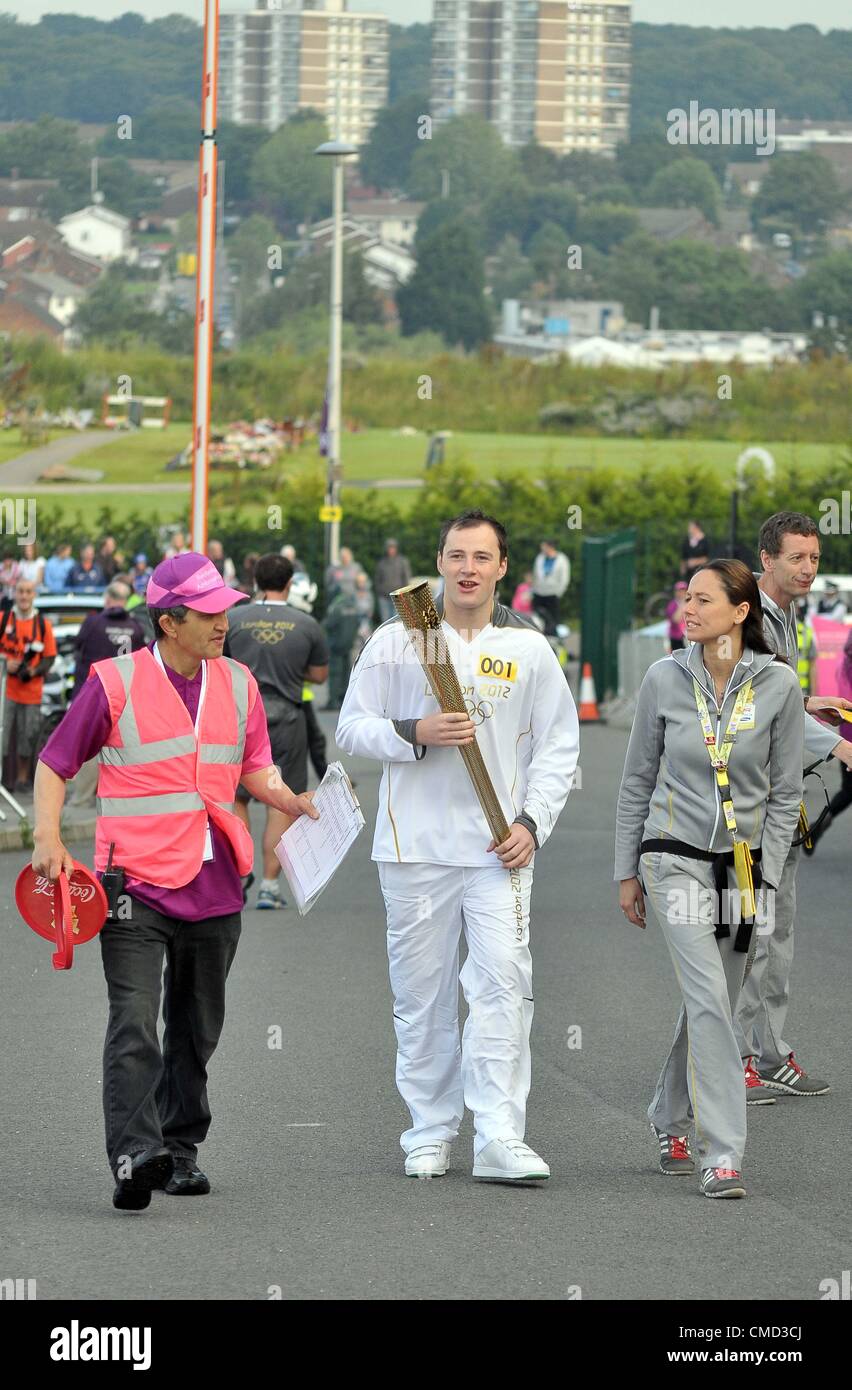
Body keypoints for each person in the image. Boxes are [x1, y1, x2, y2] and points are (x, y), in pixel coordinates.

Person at [32, 552, 318, 1210]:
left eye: (225, 607)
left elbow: (255, 768)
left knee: (196, 1026)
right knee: (134, 1022)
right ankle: (134, 1156)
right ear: (169, 622)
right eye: (210, 611)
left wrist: (289, 798)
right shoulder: (113, 683)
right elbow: (54, 763)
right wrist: (48, 837)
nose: (225, 620)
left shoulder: (241, 684)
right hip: (131, 882)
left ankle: (179, 1150)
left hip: (216, 881)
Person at [336, 508, 579, 1182]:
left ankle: (499, 1134)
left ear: (503, 568)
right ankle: (430, 1130)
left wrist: (532, 823)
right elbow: (352, 729)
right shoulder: (398, 641)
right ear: (438, 563)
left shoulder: (529, 651)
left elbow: (560, 748)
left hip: (499, 850)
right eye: (455, 556)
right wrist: (414, 730)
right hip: (414, 849)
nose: (467, 568)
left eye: (481, 557)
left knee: (504, 986)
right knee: (423, 995)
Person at [616, 560, 804, 1199]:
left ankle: (668, 1117)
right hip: (673, 857)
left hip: (746, 864)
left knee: (713, 1006)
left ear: (740, 610)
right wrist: (626, 870)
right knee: (706, 999)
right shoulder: (663, 678)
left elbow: (785, 794)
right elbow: (637, 780)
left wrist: (769, 877)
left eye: (702, 599)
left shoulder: (778, 684)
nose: (687, 608)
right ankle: (721, 1153)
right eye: (685, 598)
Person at [734, 512, 852, 1099]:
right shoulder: (746, 616)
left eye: (815, 558)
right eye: (796, 558)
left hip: (784, 798)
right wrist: (838, 746)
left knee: (777, 931)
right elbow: (757, 714)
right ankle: (737, 1062)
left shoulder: (786, 613)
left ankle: (768, 1053)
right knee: (749, 934)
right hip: (747, 804)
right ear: (767, 558)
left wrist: (813, 703)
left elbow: (780, 697)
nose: (808, 568)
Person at [225, 554, 329, 910]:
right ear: (290, 583)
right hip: (286, 718)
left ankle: (238, 876)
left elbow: (216, 662)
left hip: (238, 716)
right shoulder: (307, 624)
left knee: (236, 798)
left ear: (255, 580)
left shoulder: (234, 619)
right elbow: (319, 676)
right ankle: (270, 884)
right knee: (279, 801)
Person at [0, 577, 57, 791]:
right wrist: (6, 662)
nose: (24, 596)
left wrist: (32, 670)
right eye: (20, 591)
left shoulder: (42, 625)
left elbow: (50, 657)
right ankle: (5, 779)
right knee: (1, 735)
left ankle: (23, 780)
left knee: (28, 735)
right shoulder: (3, 619)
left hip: (31, 690)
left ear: (34, 595)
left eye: (28, 592)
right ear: (15, 593)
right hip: (4, 689)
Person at [324, 585, 361, 709]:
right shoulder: (353, 607)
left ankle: (333, 702)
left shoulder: (336, 608)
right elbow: (358, 623)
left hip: (336, 645)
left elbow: (328, 624)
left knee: (335, 673)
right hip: (348, 644)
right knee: (346, 672)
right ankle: (344, 701)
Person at [531, 539, 570, 636]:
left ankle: (553, 638)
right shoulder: (540, 558)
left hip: (552, 594)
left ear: (550, 547)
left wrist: (558, 592)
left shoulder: (562, 559)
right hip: (539, 593)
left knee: (553, 619)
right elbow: (535, 574)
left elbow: (564, 578)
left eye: (544, 546)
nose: (542, 549)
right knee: (537, 617)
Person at [374, 539, 412, 624]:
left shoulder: (402, 562)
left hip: (398, 597)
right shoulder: (381, 563)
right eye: (389, 548)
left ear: (396, 549)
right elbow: (377, 580)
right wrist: (381, 591)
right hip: (384, 597)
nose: (391, 550)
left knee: (397, 621)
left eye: (393, 547)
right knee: (385, 622)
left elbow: (406, 578)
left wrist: (403, 593)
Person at [666, 580, 688, 650]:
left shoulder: (690, 603)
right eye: (679, 591)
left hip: (687, 637)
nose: (681, 593)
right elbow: (676, 620)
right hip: (676, 638)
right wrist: (682, 604)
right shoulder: (672, 605)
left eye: (684, 591)